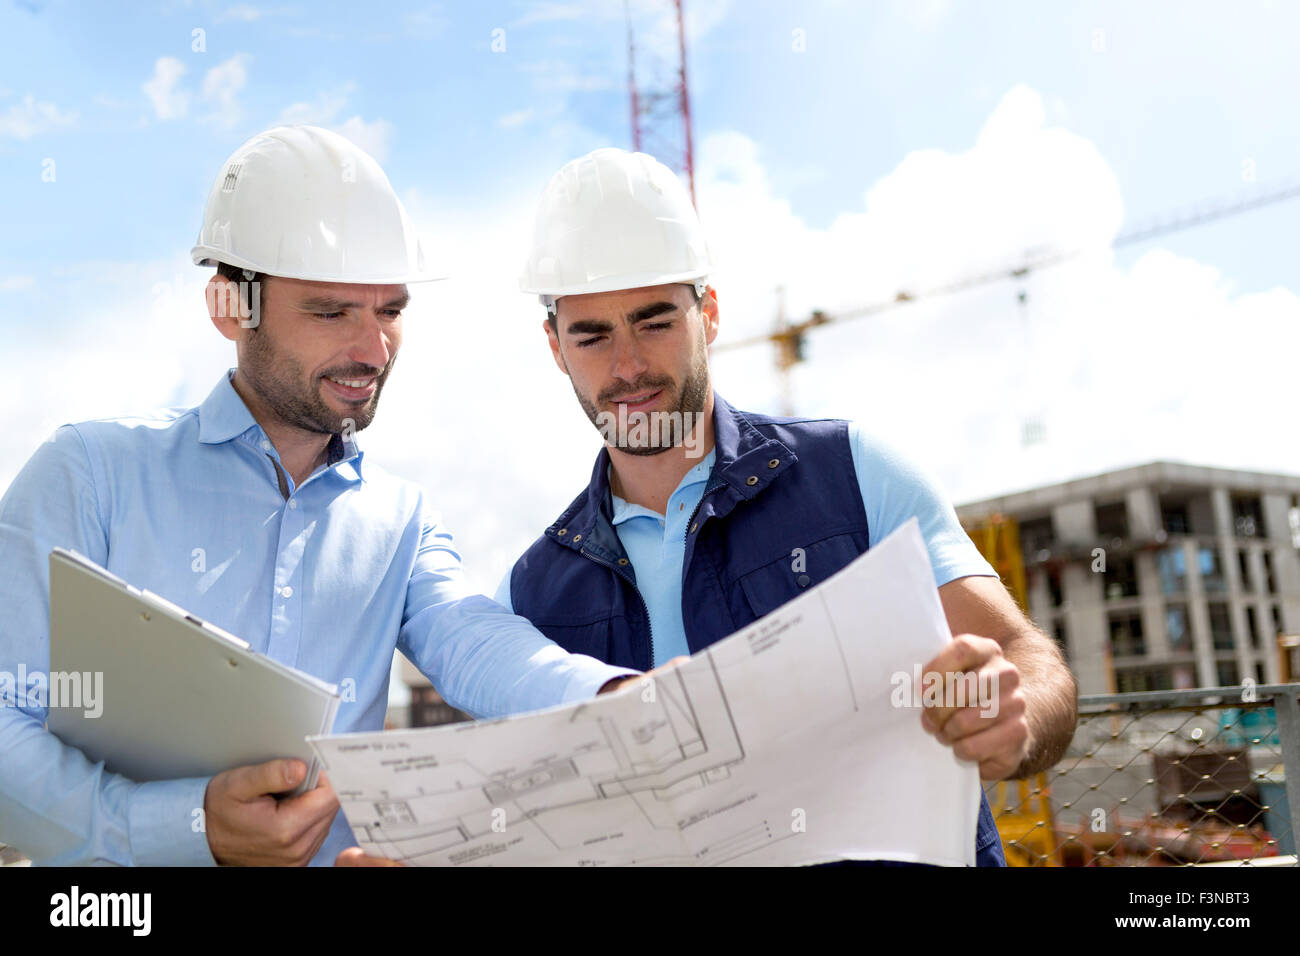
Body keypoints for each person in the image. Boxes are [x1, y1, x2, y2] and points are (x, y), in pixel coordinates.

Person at [0, 126, 637, 867]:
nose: (374, 350)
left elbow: (473, 639)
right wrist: (179, 825)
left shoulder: (402, 521)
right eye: (331, 313)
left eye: (389, 312)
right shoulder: (90, 475)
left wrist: (609, 699)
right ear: (230, 306)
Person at [494, 147, 1079, 866]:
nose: (628, 366)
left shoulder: (855, 473)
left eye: (655, 323)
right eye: (592, 336)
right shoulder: (531, 594)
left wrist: (1016, 713)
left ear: (708, 314)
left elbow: (1026, 659)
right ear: (556, 347)